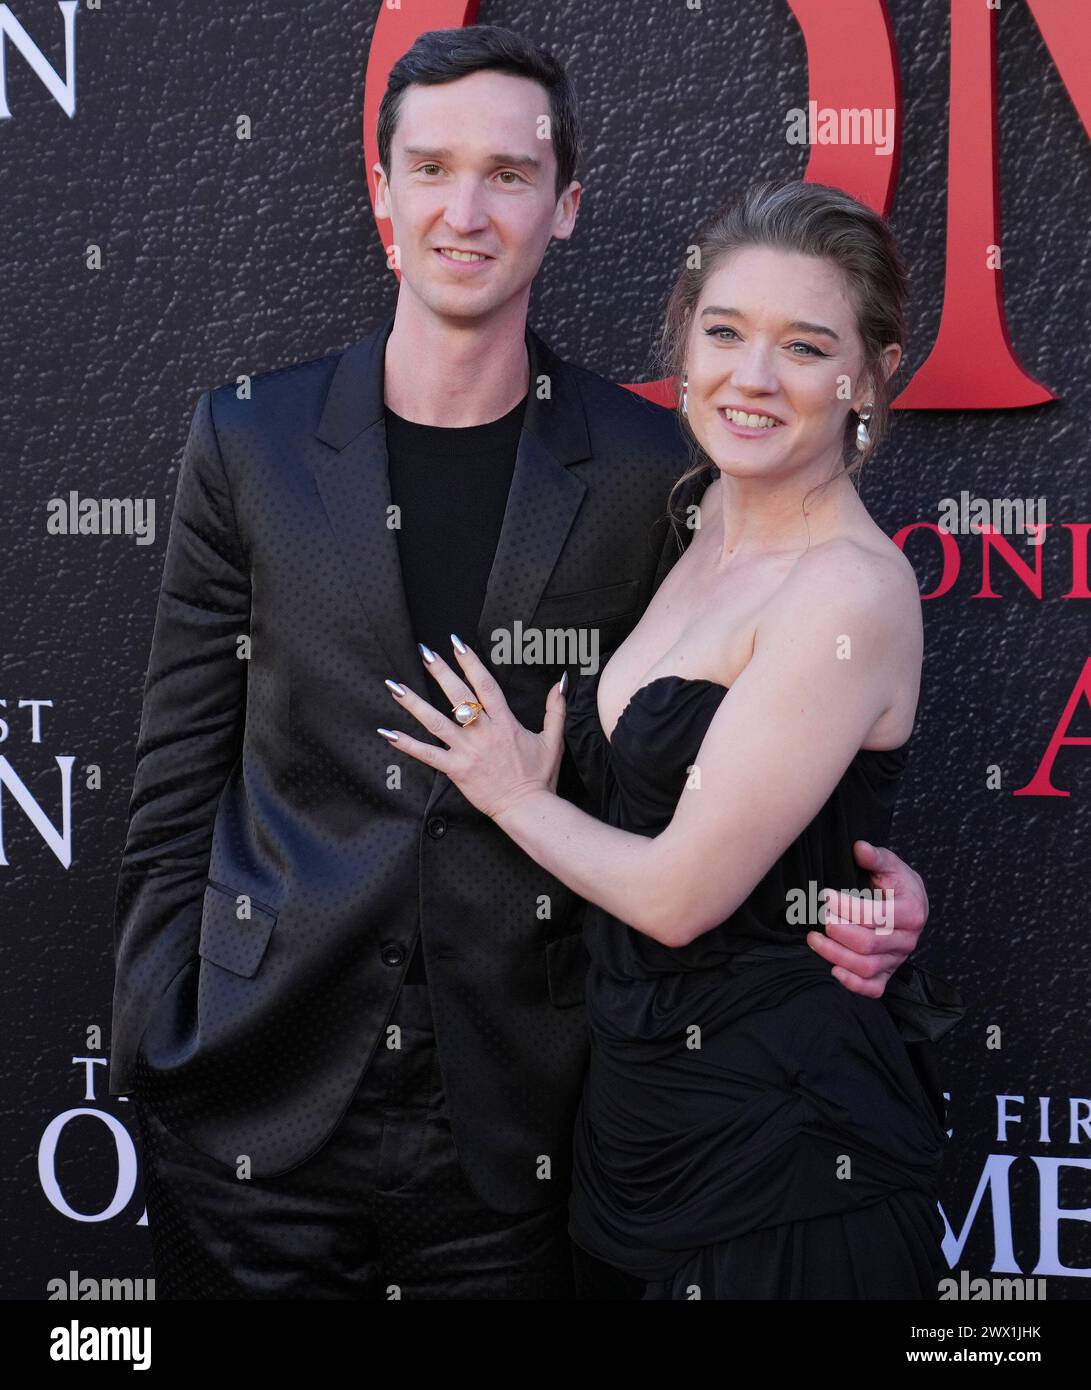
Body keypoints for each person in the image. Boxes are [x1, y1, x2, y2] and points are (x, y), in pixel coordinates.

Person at [109, 25, 938, 1300]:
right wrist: (162, 1016)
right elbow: (175, 774)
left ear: (565, 207)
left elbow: (736, 735)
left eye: (508, 173)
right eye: (430, 167)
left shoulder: (659, 473)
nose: (465, 208)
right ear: (378, 189)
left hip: (522, 1127)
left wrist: (846, 893)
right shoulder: (246, 440)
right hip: (251, 1096)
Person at [381, 176, 965, 1299]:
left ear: (870, 374)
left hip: (785, 1162)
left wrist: (515, 796)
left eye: (803, 347)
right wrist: (573, 784)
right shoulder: (691, 518)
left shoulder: (848, 589)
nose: (750, 378)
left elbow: (677, 894)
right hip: (629, 1132)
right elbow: (701, 796)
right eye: (723, 332)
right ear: (683, 341)